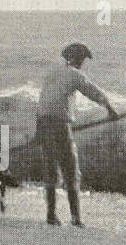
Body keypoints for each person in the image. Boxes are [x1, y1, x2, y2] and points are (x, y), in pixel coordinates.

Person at [35, 42, 120, 226]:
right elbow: (92, 91)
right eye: (82, 59)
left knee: (51, 170)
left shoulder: (51, 73)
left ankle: (51, 215)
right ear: (77, 59)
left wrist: (38, 131)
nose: (83, 63)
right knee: (71, 169)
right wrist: (110, 109)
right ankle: (75, 218)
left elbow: (42, 102)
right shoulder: (74, 75)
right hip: (60, 125)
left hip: (44, 123)